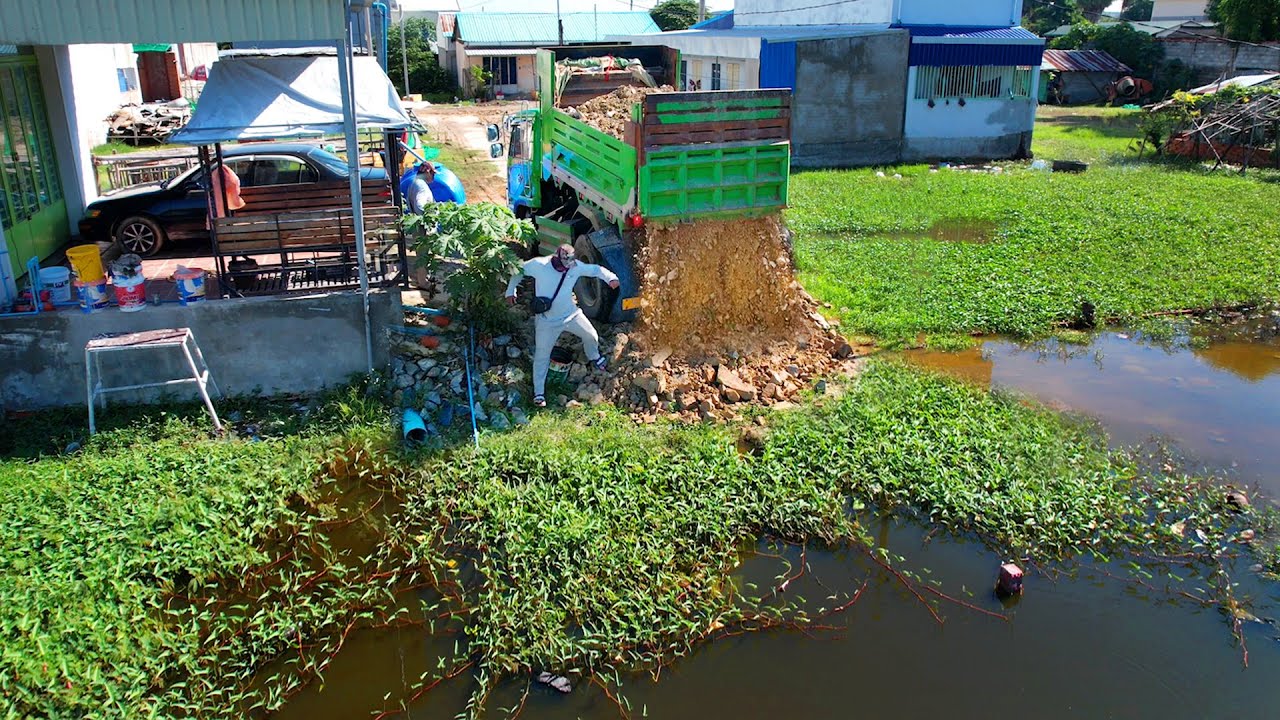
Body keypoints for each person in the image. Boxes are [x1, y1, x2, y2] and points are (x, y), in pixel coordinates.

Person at [505, 243, 620, 407]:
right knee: (542, 356)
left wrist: (611, 278)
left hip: (571, 315)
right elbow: (518, 270)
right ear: (555, 258)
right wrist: (511, 291)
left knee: (591, 335)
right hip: (547, 321)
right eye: (562, 266)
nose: (565, 269)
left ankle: (594, 356)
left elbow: (595, 270)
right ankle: (539, 393)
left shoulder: (575, 267)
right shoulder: (540, 265)